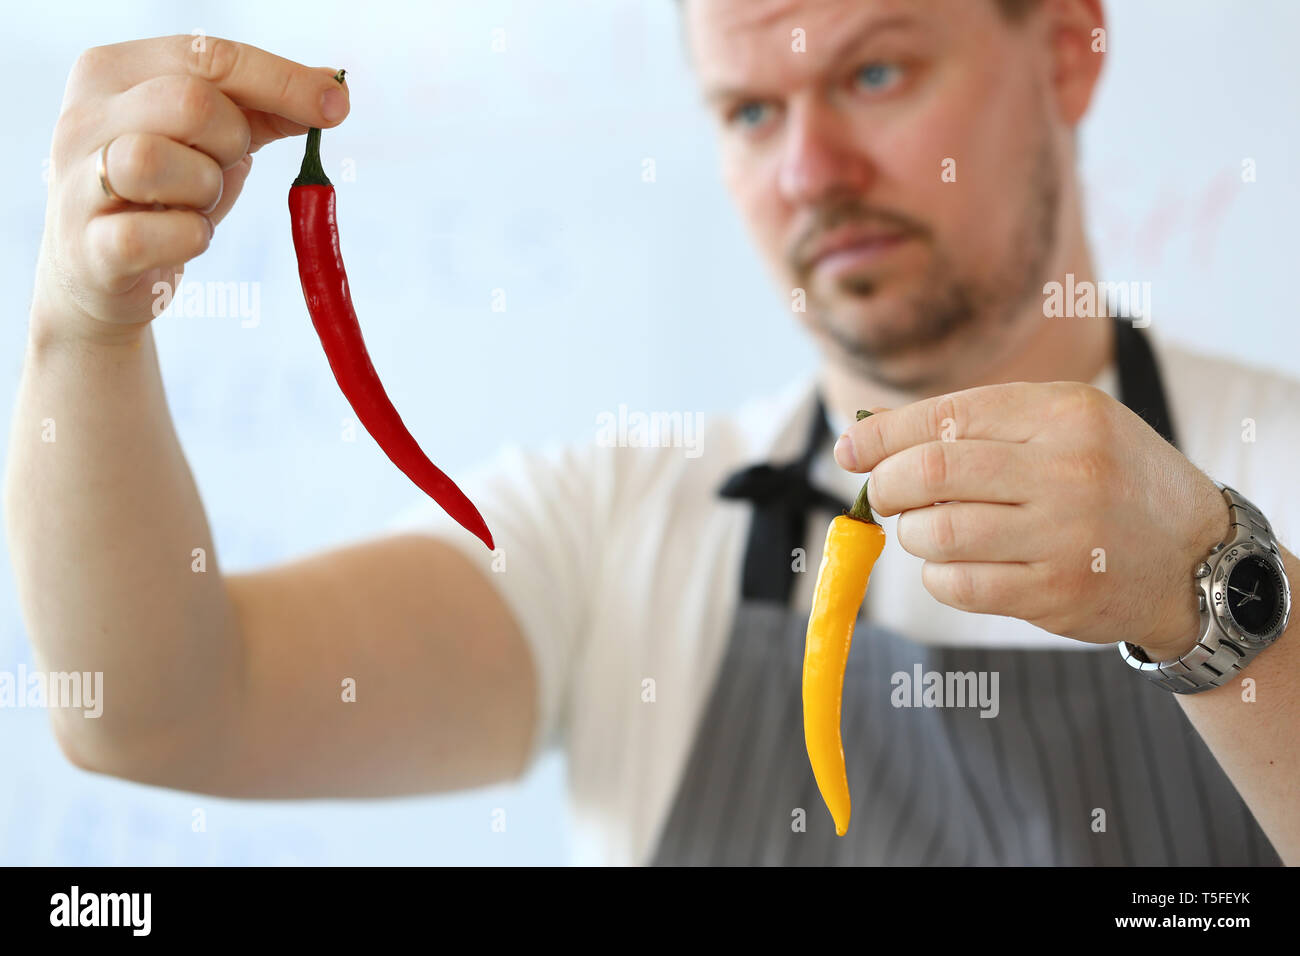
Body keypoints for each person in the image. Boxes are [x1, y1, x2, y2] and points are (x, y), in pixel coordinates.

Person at [6, 0, 1298, 867]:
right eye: (749, 112)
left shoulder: (1276, 460)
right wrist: (82, 328)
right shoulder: (619, 522)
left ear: (1070, 46)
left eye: (875, 71)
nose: (809, 170)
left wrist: (1219, 595)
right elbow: (152, 712)